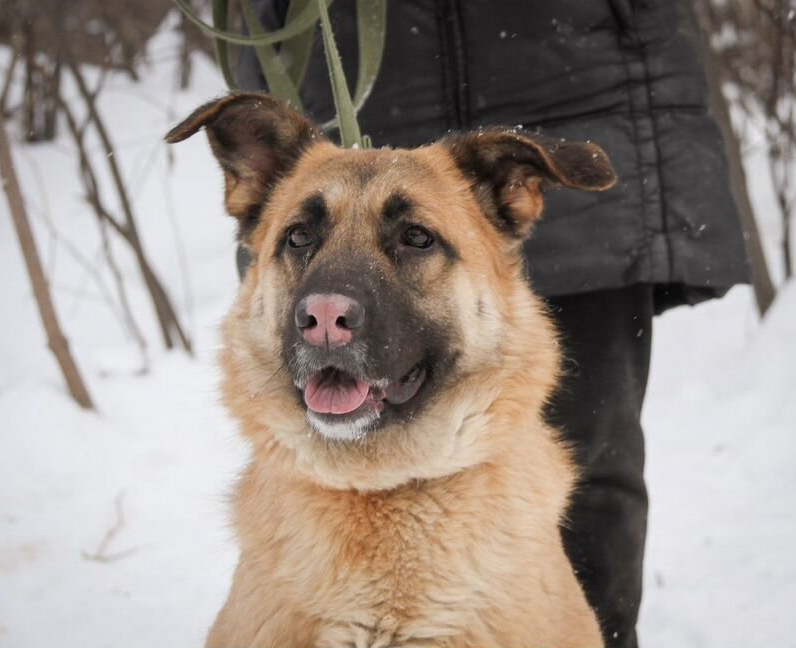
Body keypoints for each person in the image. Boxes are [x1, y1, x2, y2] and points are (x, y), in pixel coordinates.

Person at [234, 2, 750, 646]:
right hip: (375, 91)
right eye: (301, 237)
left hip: (580, 85)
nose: (328, 311)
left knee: (598, 473)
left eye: (414, 240)